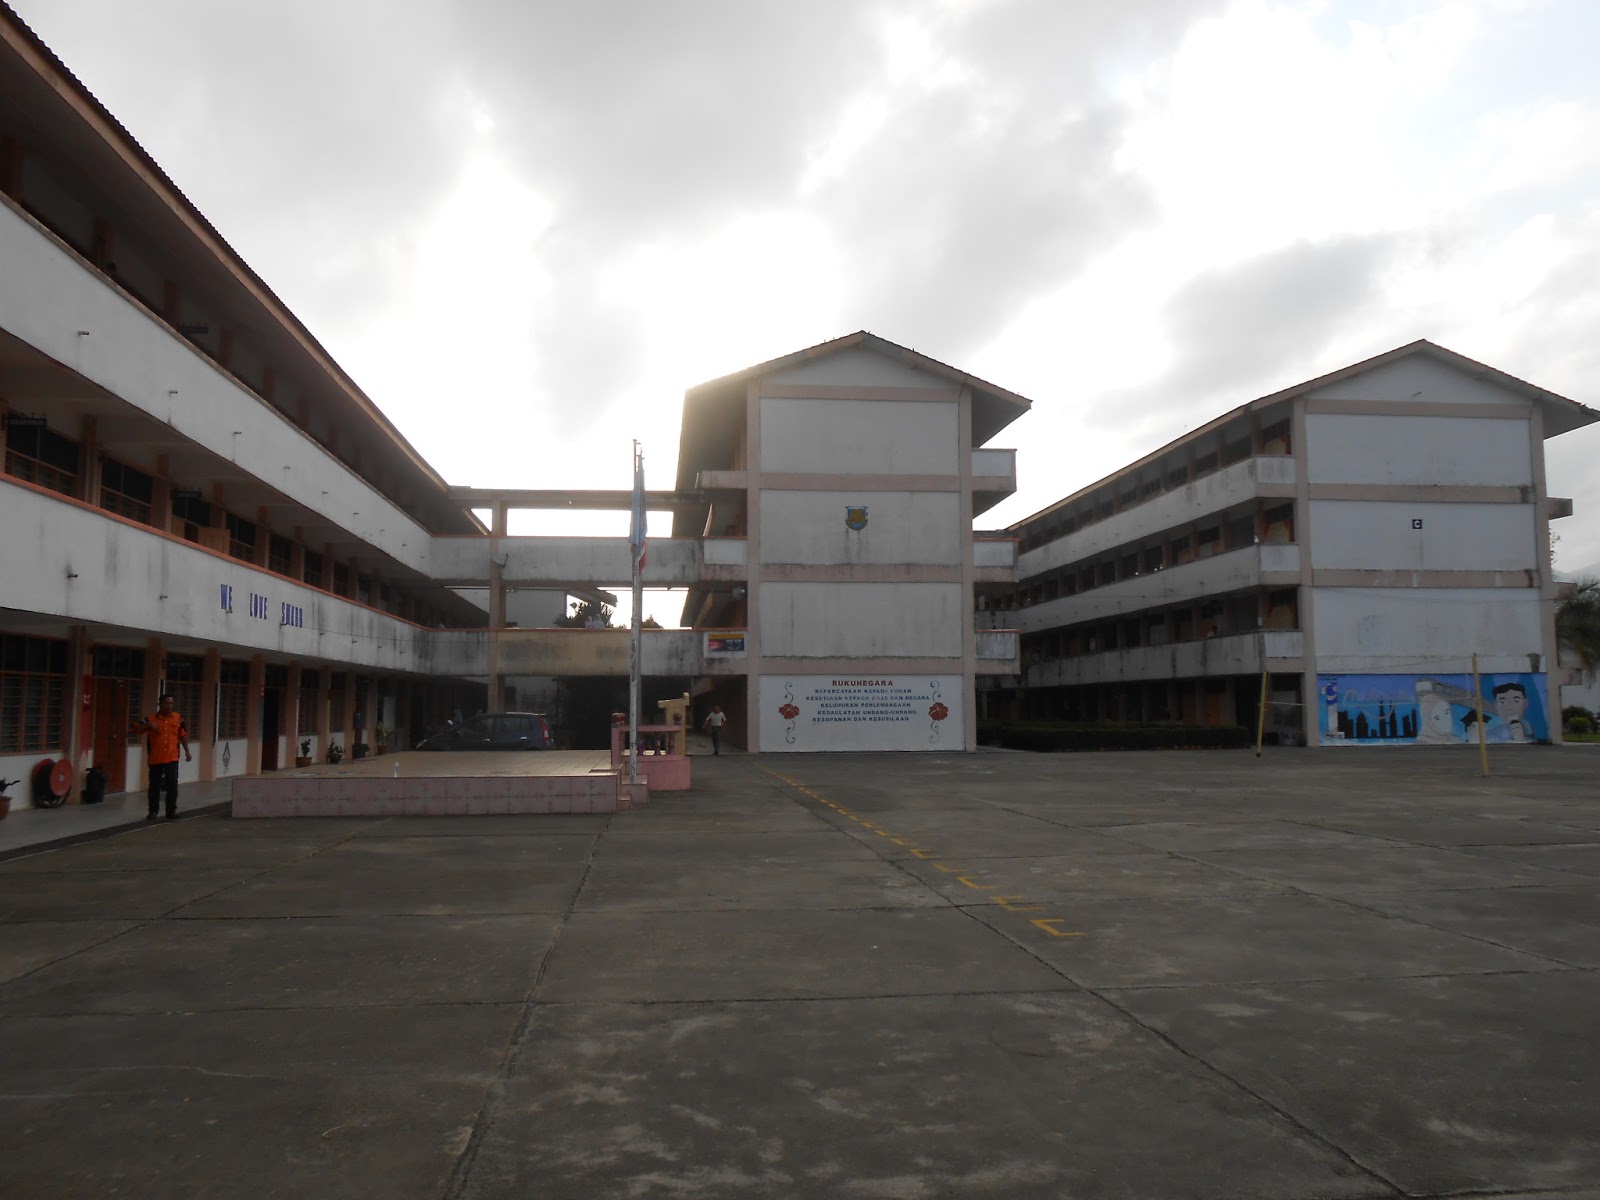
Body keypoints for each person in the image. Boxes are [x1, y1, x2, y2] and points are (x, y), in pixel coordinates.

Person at [131, 692, 191, 820]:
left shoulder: (178, 718)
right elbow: (135, 728)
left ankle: (171, 811)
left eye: (171, 703)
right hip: (155, 758)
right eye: (166, 703)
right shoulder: (150, 719)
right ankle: (153, 811)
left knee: (172, 784)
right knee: (154, 786)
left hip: (172, 757)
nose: (169, 706)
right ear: (160, 704)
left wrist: (187, 751)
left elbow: (183, 735)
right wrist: (147, 726)